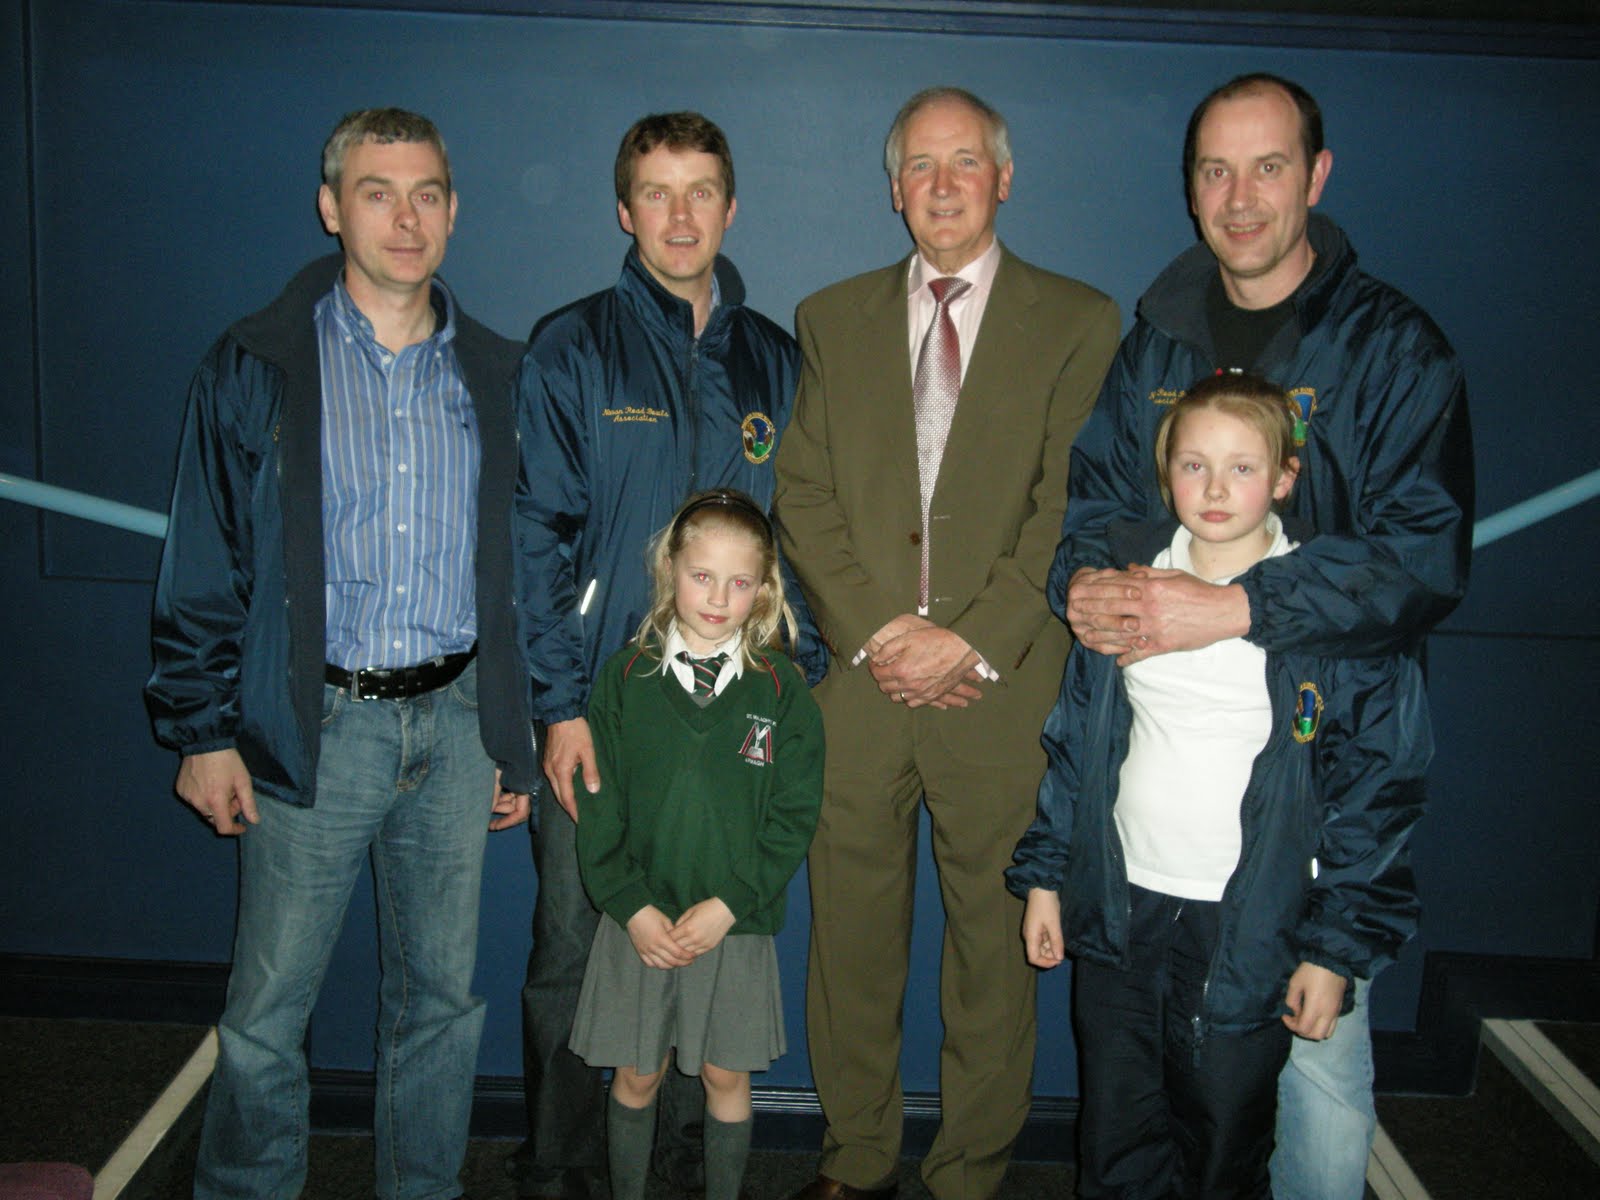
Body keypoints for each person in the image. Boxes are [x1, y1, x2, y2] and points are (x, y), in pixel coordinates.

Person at [1058, 74, 1473, 1200]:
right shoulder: (1152, 341)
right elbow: (1094, 506)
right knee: (1142, 1110)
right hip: (1153, 812)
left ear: (1316, 177)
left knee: (1316, 1105)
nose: (1239, 197)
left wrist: (1243, 608)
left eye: (1268, 166)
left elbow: (1424, 558)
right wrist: (1087, 589)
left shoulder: (1391, 348)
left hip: (1310, 791)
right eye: (1214, 169)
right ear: (1189, 186)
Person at [145, 108, 536, 1200]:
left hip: (456, 733)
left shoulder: (499, 374)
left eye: (425, 194)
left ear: (452, 211)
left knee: (441, 1007)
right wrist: (201, 729)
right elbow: (205, 556)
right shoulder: (257, 363)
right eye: (377, 191)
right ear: (332, 208)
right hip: (314, 728)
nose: (404, 218)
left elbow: (515, 576)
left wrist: (511, 732)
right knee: (269, 1012)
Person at [774, 87, 1120, 1200]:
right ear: (891, 190)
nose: (939, 184)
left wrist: (967, 645)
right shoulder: (827, 317)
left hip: (1002, 696)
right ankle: (856, 1155)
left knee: (994, 961)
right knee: (852, 952)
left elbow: (1066, 511)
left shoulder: (1078, 321)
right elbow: (803, 494)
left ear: (1003, 178)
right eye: (918, 166)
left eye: (962, 161)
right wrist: (883, 634)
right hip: (862, 693)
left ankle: (969, 1175)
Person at [1009, 374, 1429, 1199]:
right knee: (1117, 1134)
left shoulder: (1335, 613)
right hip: (1125, 908)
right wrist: (1048, 881)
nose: (1213, 488)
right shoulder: (1120, 591)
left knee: (1222, 1142)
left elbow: (1377, 793)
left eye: (1242, 468)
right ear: (1165, 471)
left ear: (1284, 477)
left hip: (1249, 922)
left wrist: (1333, 951)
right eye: (1193, 465)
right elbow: (1075, 750)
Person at [511, 111, 825, 1200]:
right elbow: (535, 541)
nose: (680, 214)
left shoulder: (775, 363)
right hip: (607, 720)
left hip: (731, 726)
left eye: (701, 191)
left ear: (731, 208)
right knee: (577, 954)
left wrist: (799, 683)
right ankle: (559, 1171)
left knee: (710, 953)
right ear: (623, 209)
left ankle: (682, 1169)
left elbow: (811, 536)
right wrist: (557, 708)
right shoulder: (572, 346)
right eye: (656, 191)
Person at [568, 489, 824, 1200]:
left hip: (734, 924)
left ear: (764, 590)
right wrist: (631, 906)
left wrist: (729, 904)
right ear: (670, 569)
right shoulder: (622, 681)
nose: (718, 596)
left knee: (724, 1075)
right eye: (702, 575)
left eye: (740, 582)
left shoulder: (783, 694)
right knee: (637, 1073)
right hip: (639, 922)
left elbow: (792, 819)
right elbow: (599, 807)